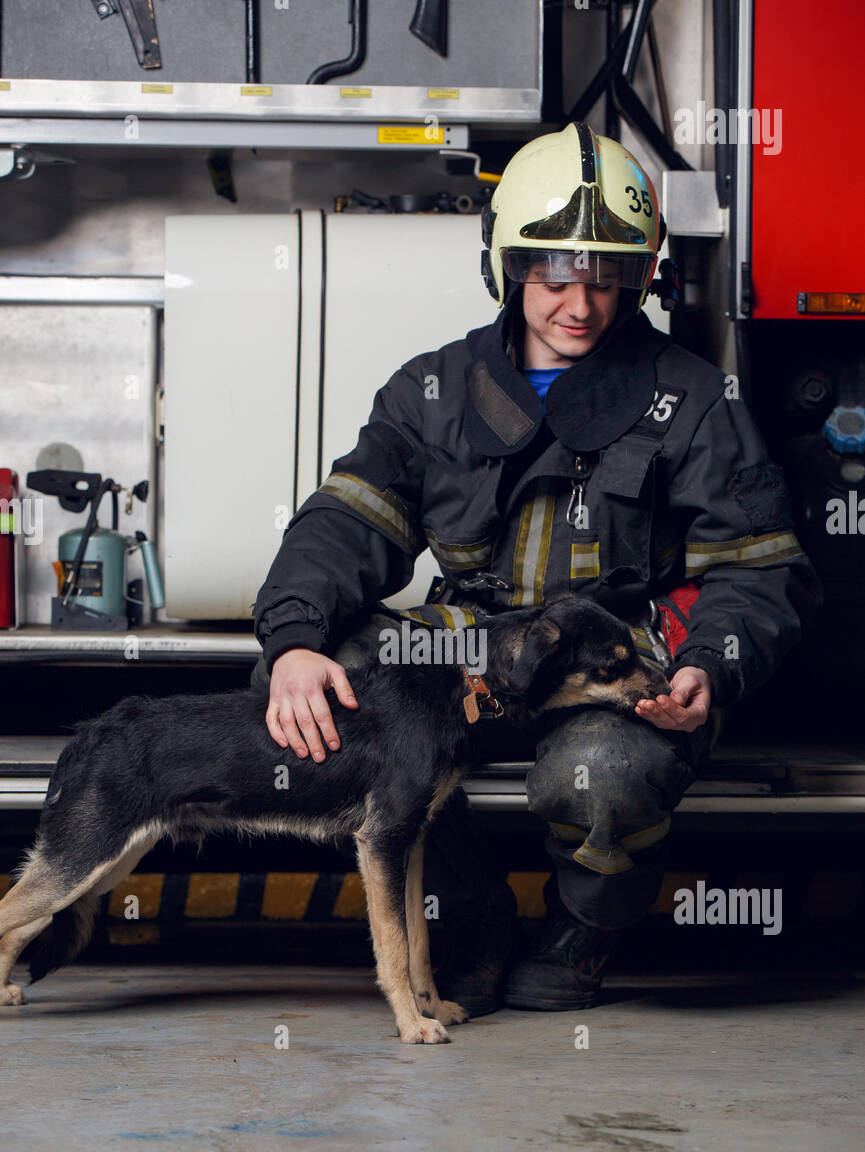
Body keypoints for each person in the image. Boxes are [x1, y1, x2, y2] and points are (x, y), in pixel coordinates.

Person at [251, 121, 822, 1016]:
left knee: (597, 775)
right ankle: (471, 912)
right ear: (508, 266)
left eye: (606, 277)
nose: (580, 304)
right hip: (467, 662)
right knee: (319, 678)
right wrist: (291, 639)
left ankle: (583, 931)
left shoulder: (698, 401)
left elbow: (758, 569)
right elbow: (344, 523)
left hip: (615, 668)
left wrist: (709, 665)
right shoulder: (429, 392)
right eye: (555, 274)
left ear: (638, 278)